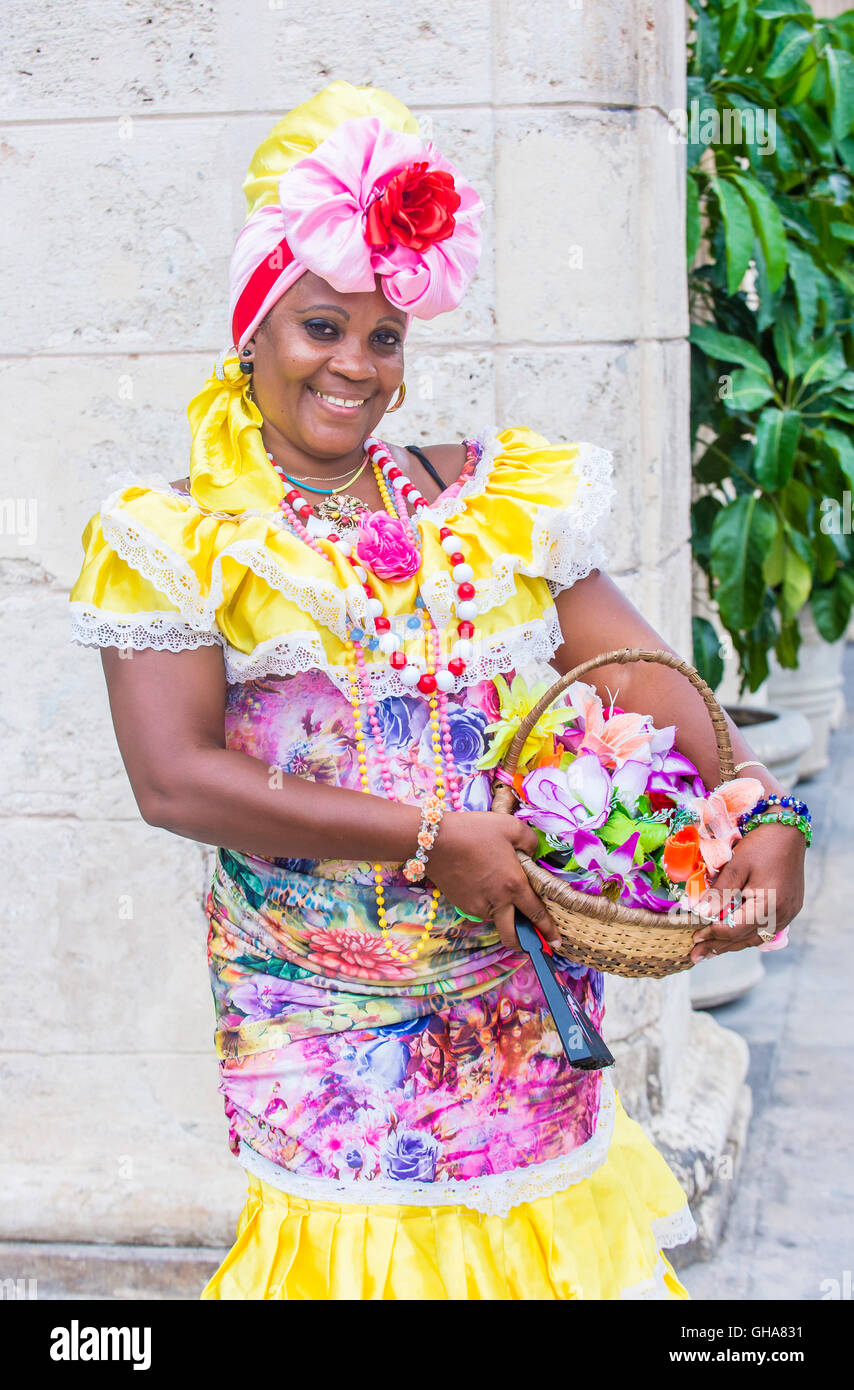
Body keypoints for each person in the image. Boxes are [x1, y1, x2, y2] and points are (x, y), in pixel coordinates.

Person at [69, 81, 807, 1301]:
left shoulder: (483, 497)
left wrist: (756, 801)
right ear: (252, 326)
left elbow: (629, 669)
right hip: (320, 1026)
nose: (352, 365)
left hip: (521, 1008)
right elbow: (173, 777)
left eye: (382, 335)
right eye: (318, 326)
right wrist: (425, 839)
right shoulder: (178, 536)